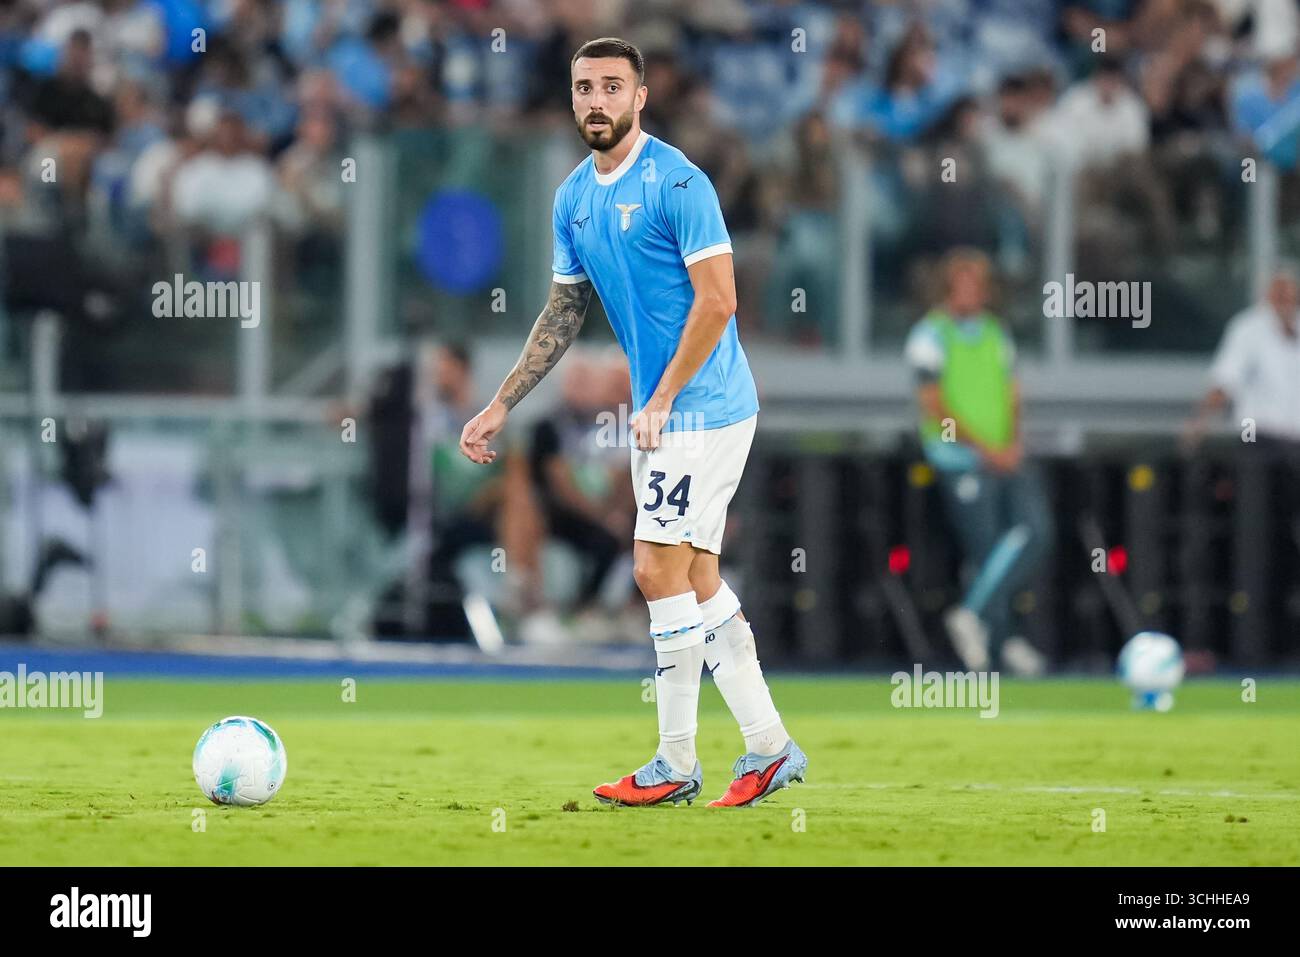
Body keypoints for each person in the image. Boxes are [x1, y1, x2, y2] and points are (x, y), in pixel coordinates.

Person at [459, 37, 805, 808]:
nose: (597, 100)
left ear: (641, 97)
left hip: (703, 408)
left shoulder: (678, 182)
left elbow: (719, 300)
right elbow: (564, 309)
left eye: (613, 86)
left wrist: (657, 399)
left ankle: (675, 760)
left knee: (653, 569)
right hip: (666, 413)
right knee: (697, 578)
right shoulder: (574, 197)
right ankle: (770, 746)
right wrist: (501, 401)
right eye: (584, 87)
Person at [904, 248, 1052, 675]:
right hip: (960, 460)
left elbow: (1011, 393)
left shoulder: (994, 332)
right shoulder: (928, 335)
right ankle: (999, 641)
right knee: (986, 549)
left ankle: (975, 619)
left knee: (1033, 532)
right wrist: (986, 450)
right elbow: (934, 405)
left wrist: (1012, 443)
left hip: (1005, 455)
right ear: (948, 287)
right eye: (962, 283)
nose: (971, 292)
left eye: (978, 284)